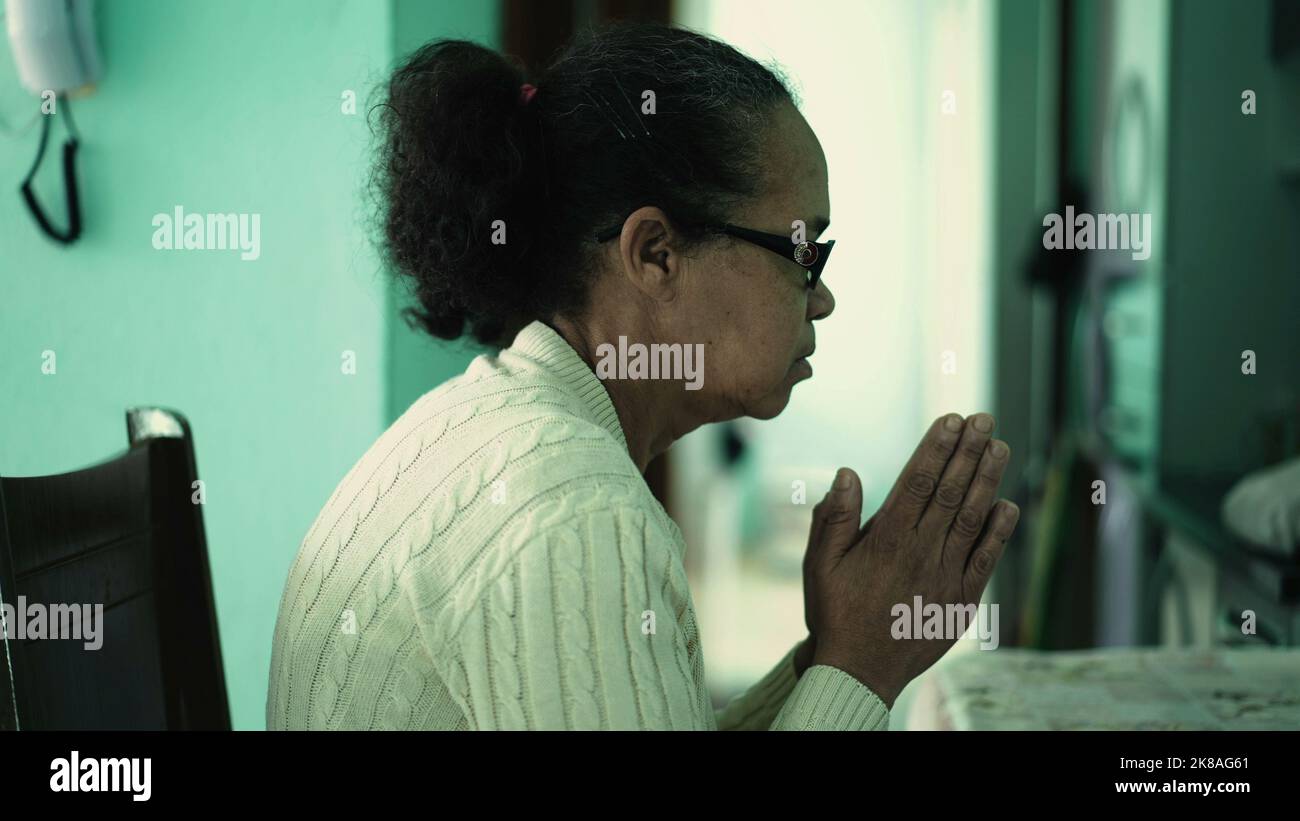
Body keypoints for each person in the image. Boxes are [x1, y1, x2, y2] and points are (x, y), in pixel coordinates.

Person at [266, 21, 1020, 730]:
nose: (822, 295)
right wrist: (863, 666)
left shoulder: (498, 425)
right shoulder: (575, 509)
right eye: (802, 251)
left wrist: (827, 657)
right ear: (654, 253)